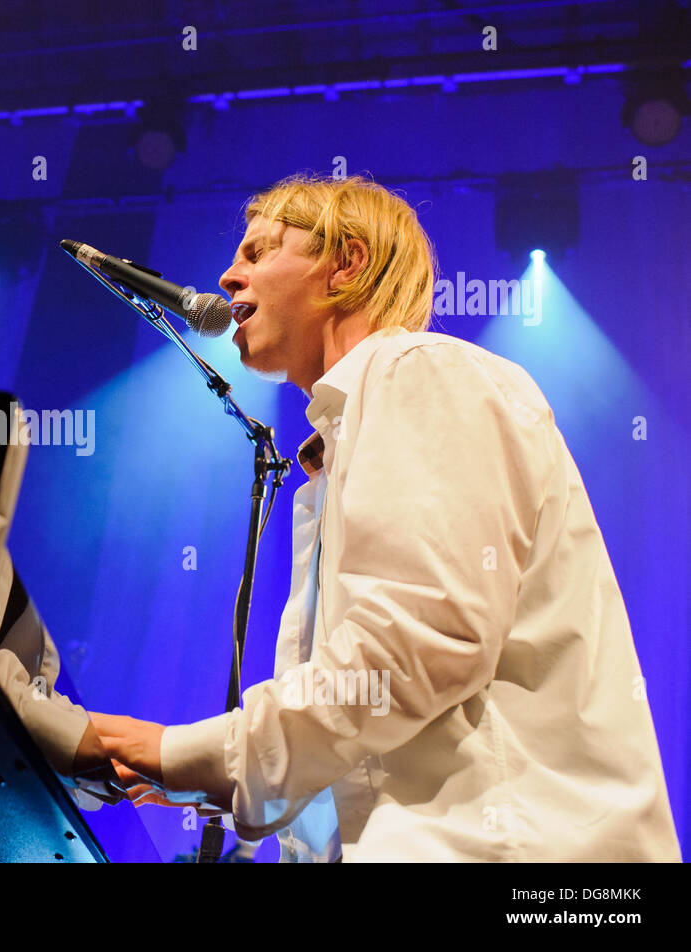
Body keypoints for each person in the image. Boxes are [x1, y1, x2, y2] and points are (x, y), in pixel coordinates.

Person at [88, 173, 681, 862]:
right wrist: (210, 779)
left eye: (258, 251)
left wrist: (182, 750)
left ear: (347, 264)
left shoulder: (417, 370)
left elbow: (418, 644)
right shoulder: (352, 429)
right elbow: (369, 723)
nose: (228, 272)